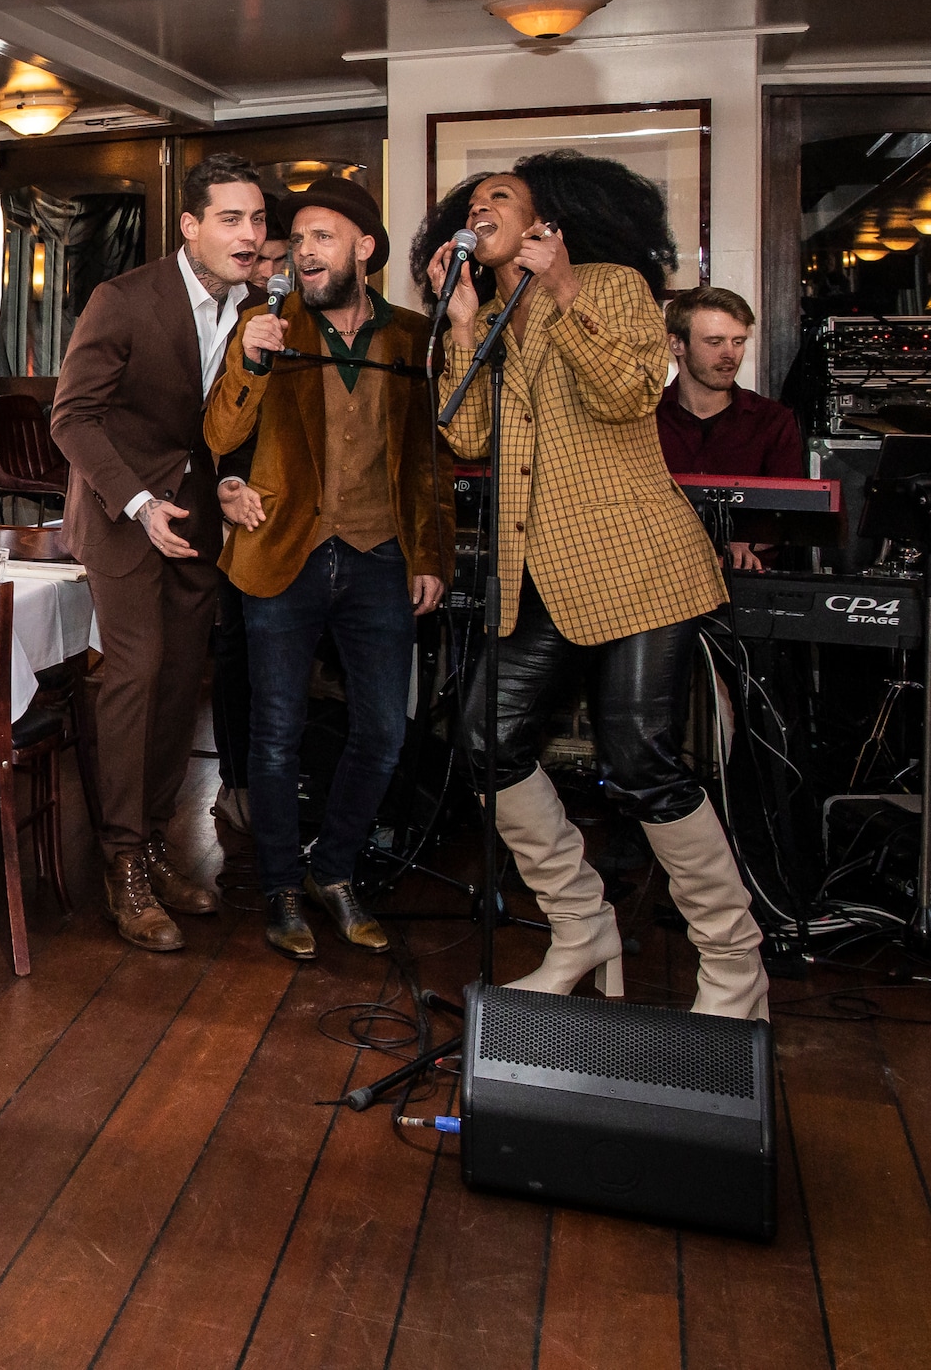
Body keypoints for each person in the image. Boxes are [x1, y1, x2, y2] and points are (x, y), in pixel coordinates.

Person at [428, 153, 767, 1019]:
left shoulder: (610, 285)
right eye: (473, 199)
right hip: (539, 570)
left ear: (547, 219)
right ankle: (582, 925)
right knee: (485, 738)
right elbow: (466, 434)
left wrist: (564, 288)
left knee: (641, 758)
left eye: (499, 195)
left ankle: (735, 968)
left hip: (637, 561)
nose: (479, 206)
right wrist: (462, 324)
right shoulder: (488, 318)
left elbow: (628, 392)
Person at [207, 177, 448, 959]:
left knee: (382, 732)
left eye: (322, 236)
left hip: (380, 557)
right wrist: (249, 361)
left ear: (364, 248)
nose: (304, 251)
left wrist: (431, 554)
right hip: (283, 551)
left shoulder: (413, 336)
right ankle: (280, 886)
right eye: (299, 238)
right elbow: (219, 435)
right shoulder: (266, 325)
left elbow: (431, 461)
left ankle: (333, 870)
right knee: (275, 735)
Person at [51, 151, 263, 951]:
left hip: (198, 522)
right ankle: (120, 862)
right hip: (122, 515)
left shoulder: (255, 311)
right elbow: (71, 417)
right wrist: (138, 503)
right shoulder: (124, 299)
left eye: (257, 219)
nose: (248, 235)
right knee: (135, 676)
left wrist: (232, 480)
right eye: (231, 219)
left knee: (180, 685)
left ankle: (150, 841)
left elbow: (226, 423)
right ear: (191, 226)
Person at [208, 190, 298, 842]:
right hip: (239, 515)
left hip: (309, 519)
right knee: (235, 650)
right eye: (258, 260)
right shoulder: (229, 323)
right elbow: (206, 426)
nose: (268, 273)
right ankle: (236, 783)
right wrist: (226, 485)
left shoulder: (321, 323)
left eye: (279, 259)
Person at [657, 286, 804, 571]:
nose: (730, 354)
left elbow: (790, 514)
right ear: (677, 344)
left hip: (746, 582)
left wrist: (746, 541)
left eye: (738, 342)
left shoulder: (772, 420)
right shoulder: (643, 417)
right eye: (714, 342)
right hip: (662, 579)